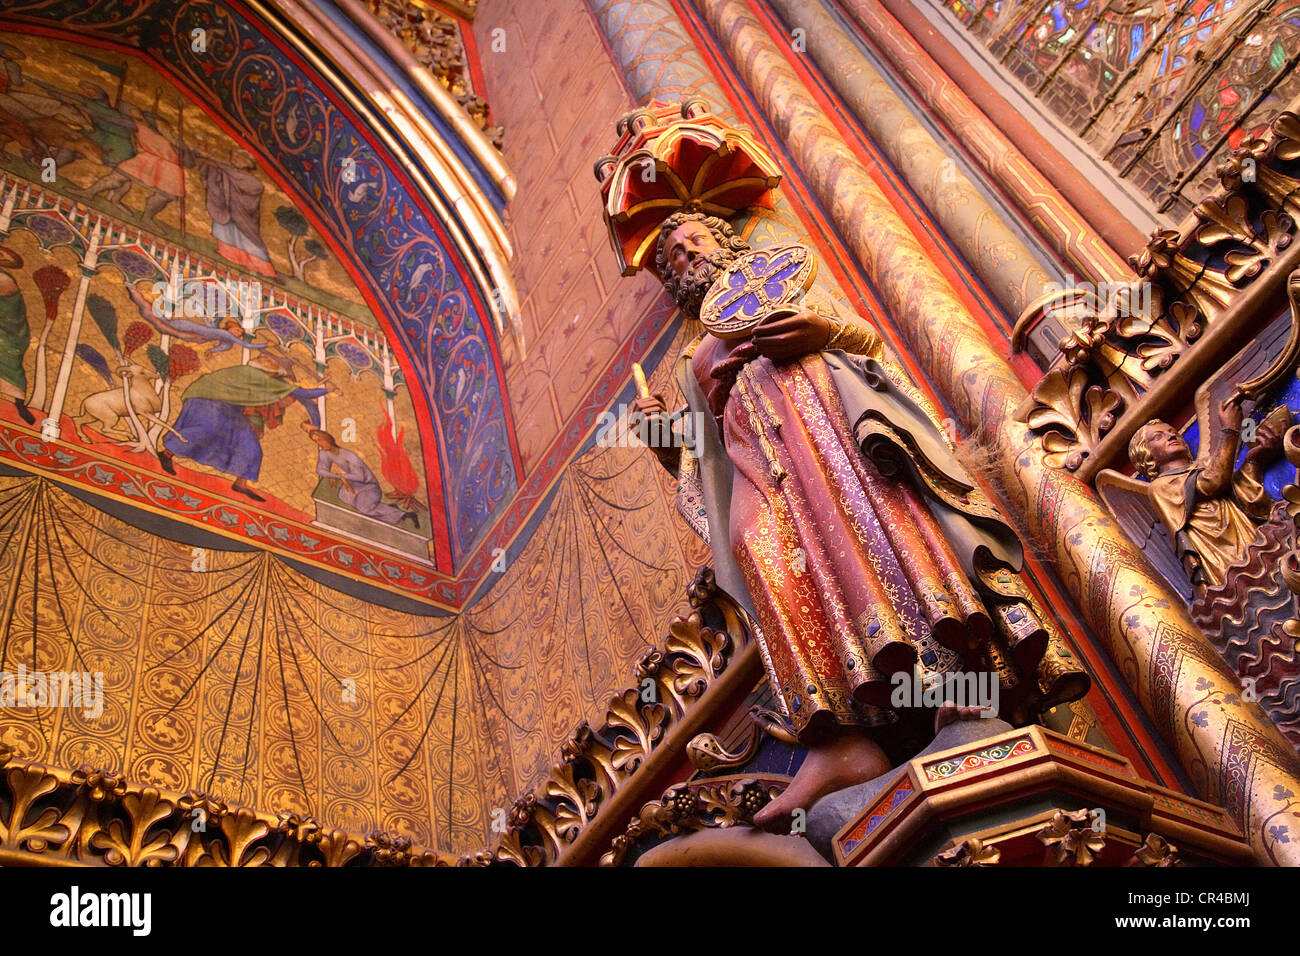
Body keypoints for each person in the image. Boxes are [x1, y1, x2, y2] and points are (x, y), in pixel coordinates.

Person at [630, 212, 1085, 830]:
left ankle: (952, 683)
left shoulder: (780, 271)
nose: (687, 257)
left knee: (870, 528)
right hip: (752, 458)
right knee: (755, 548)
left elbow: (867, 340)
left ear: (724, 238)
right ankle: (840, 739)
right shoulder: (694, 356)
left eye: (694, 242)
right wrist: (658, 430)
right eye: (674, 259)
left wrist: (818, 330)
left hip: (822, 414)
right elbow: (698, 463)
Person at [1128, 399, 1283, 589]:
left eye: (1173, 432)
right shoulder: (1160, 487)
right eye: (1158, 437)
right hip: (1220, 558)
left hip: (1247, 537)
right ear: (1147, 456)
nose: (1171, 436)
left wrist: (1255, 458)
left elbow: (1238, 490)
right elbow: (1213, 482)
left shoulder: (1207, 465)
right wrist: (1230, 429)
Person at [158, 351, 333, 502]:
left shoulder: (264, 380)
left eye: (270, 360)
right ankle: (166, 453)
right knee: (206, 429)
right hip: (207, 398)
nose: (264, 359)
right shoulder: (252, 374)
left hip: (230, 409)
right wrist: (326, 389)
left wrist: (315, 426)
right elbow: (300, 392)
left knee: (250, 446)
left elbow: (302, 398)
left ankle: (240, 483)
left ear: (275, 372)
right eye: (264, 358)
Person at [303, 423, 417, 528]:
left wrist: (340, 475)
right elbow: (320, 470)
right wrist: (335, 476)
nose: (319, 444)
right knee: (343, 496)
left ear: (328, 439)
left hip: (369, 486)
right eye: (316, 441)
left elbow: (360, 477)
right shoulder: (325, 453)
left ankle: (404, 515)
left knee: (364, 508)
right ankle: (389, 509)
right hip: (354, 485)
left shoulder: (348, 455)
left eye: (320, 440)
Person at [0, 246, 32, 424]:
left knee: (12, 365)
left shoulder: (3, 278)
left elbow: (9, 309)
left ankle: (20, 404)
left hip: (9, 333)